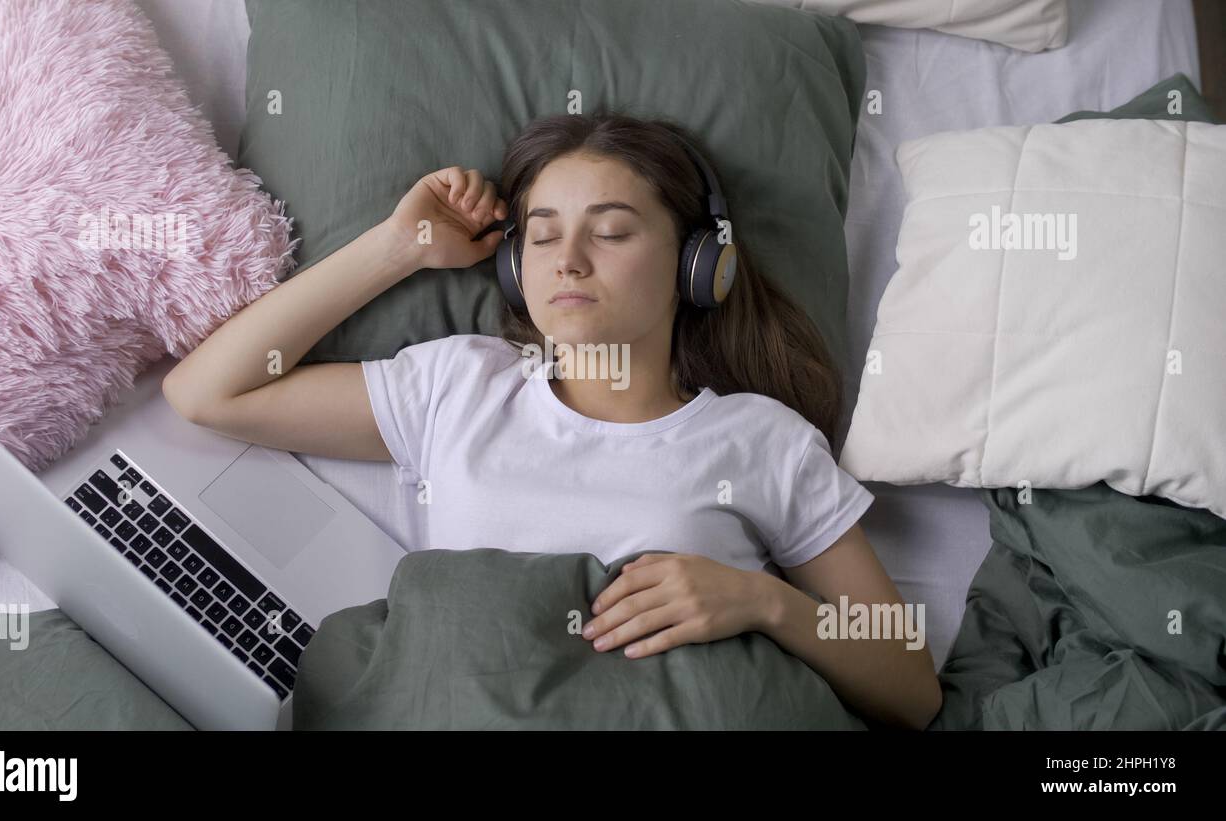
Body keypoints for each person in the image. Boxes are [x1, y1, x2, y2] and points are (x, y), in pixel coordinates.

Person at [163, 112, 942, 730]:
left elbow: (912, 688)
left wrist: (763, 602)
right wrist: (399, 247)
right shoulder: (459, 386)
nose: (567, 258)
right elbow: (209, 392)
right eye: (540, 234)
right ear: (514, 265)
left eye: (610, 231)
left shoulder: (761, 440)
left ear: (697, 264)